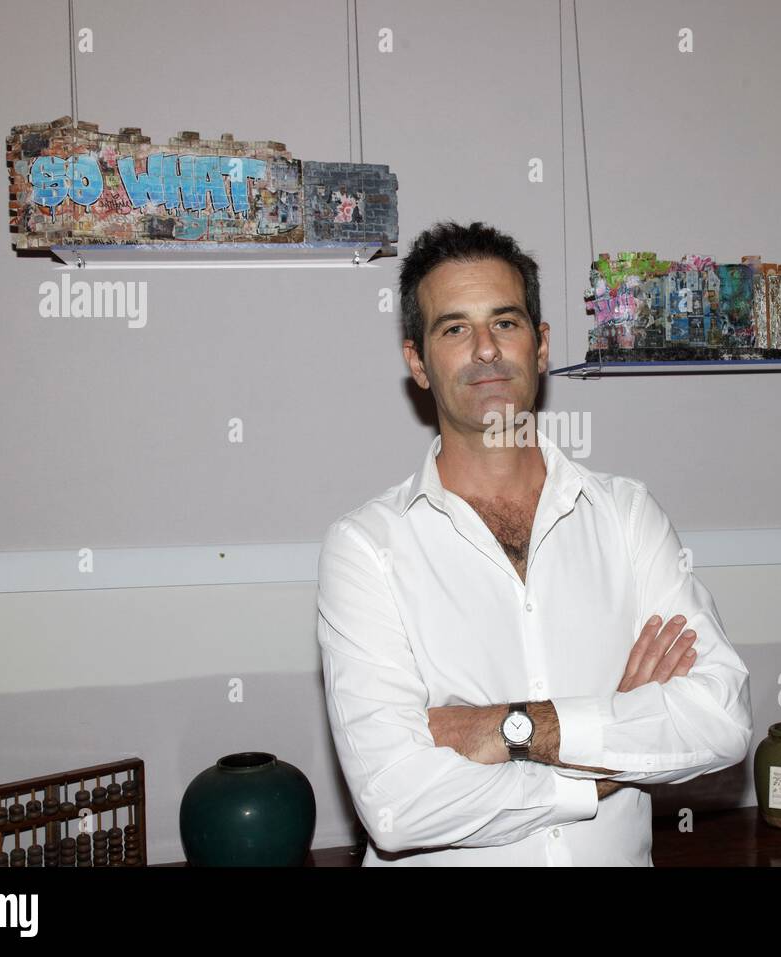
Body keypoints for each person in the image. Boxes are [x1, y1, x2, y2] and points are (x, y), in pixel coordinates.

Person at [316, 221, 753, 865]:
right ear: (418, 362)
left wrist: (509, 730)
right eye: (455, 328)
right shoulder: (364, 548)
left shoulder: (627, 515)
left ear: (541, 346)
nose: (486, 350)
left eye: (506, 322)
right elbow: (397, 806)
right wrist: (615, 741)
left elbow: (720, 721)